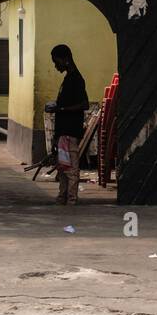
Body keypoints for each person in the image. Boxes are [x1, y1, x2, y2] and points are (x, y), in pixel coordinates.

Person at [44, 44, 88, 205]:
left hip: (70, 131)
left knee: (71, 169)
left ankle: (71, 199)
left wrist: (61, 108)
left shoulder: (76, 79)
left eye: (56, 62)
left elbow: (84, 104)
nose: (55, 66)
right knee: (63, 168)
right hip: (63, 132)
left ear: (65, 59)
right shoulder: (68, 79)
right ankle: (62, 196)